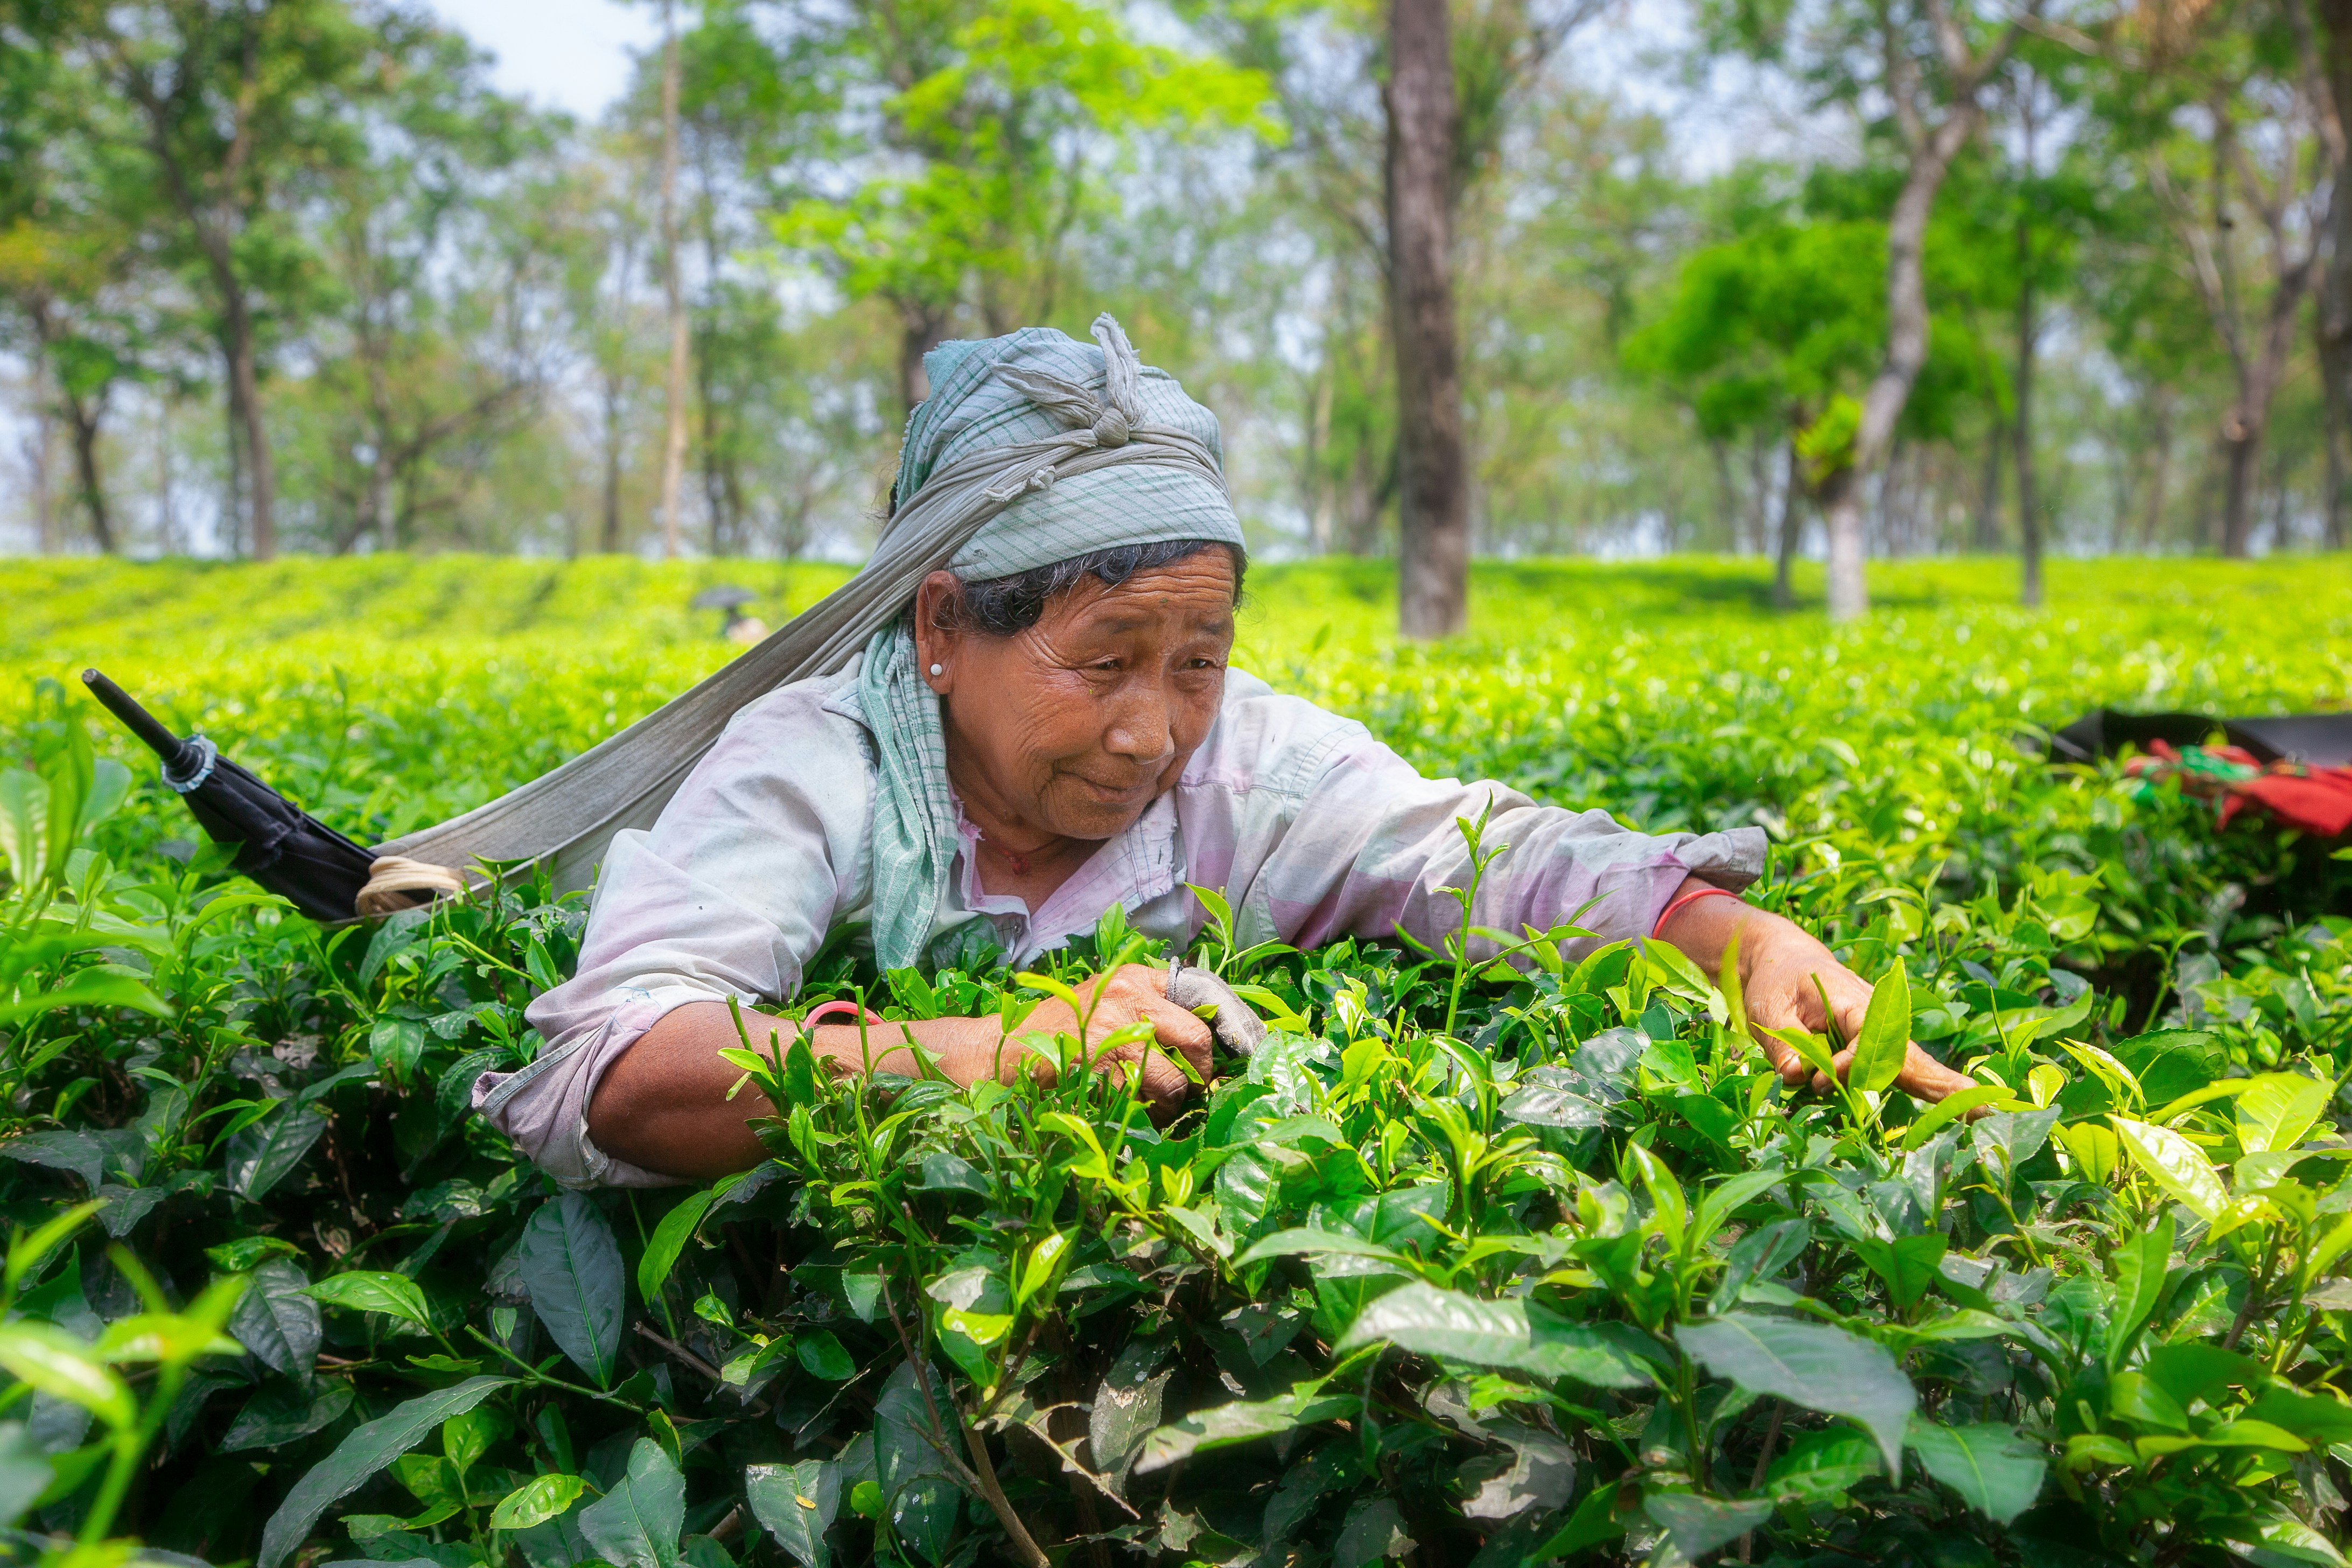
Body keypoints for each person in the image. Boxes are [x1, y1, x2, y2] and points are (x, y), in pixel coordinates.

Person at [474, 318, 1971, 1187]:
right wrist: (995, 1055)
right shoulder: (818, 763)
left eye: (1198, 663)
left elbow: (1492, 863)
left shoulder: (1242, 769)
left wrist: (1738, 938)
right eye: (1103, 661)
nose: (1152, 730)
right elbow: (618, 1071)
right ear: (942, 629)